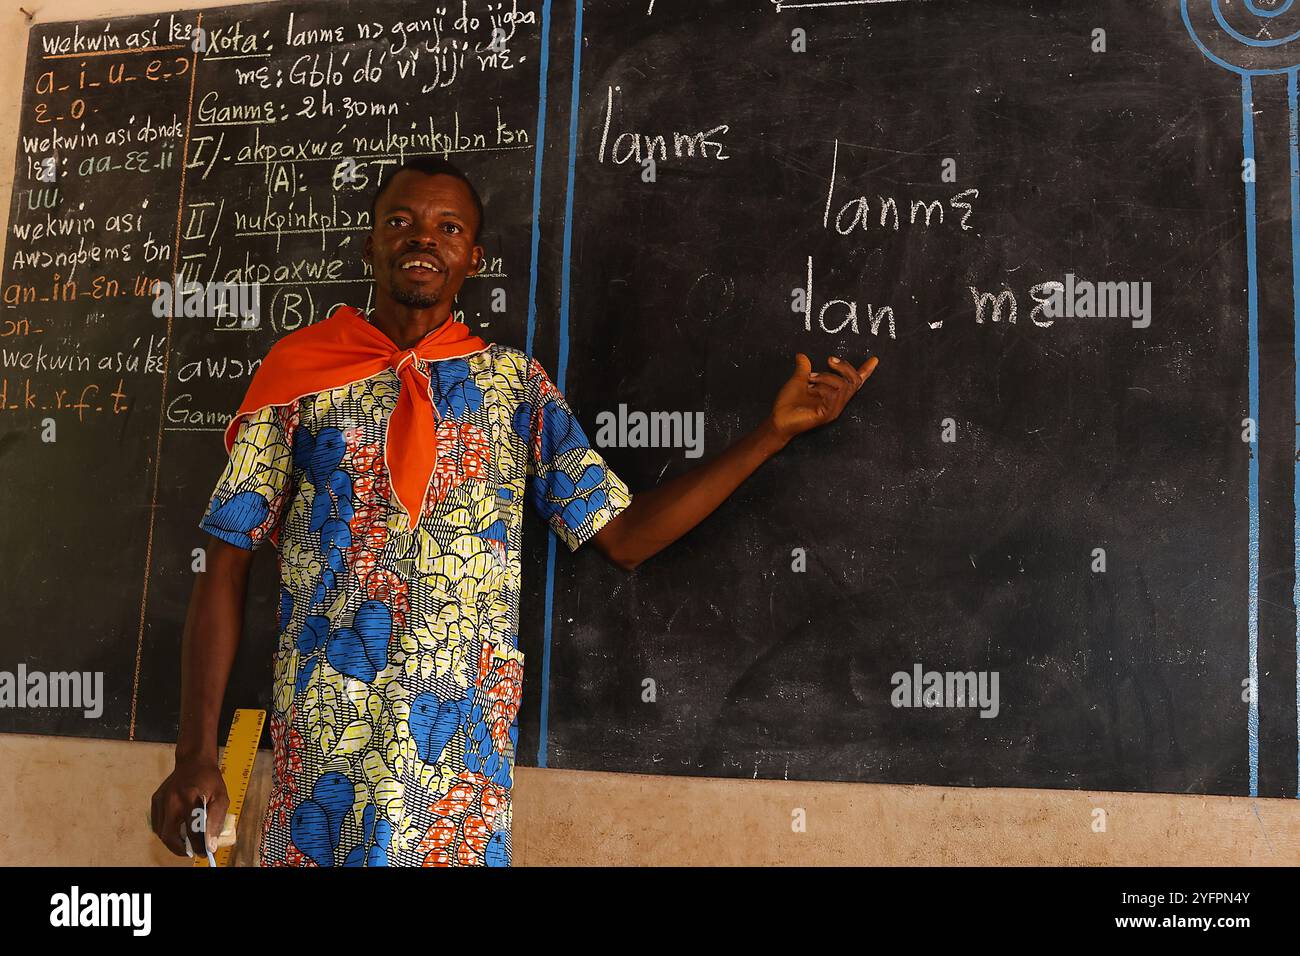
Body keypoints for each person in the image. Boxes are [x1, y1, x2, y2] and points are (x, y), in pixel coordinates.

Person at [150, 157, 878, 866]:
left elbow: (624, 536)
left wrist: (770, 436)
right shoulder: (296, 376)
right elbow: (226, 564)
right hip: (328, 743)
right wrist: (195, 755)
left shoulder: (514, 388)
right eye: (400, 221)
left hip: (457, 763)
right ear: (369, 242)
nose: (421, 238)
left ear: (473, 257)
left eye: (447, 227)